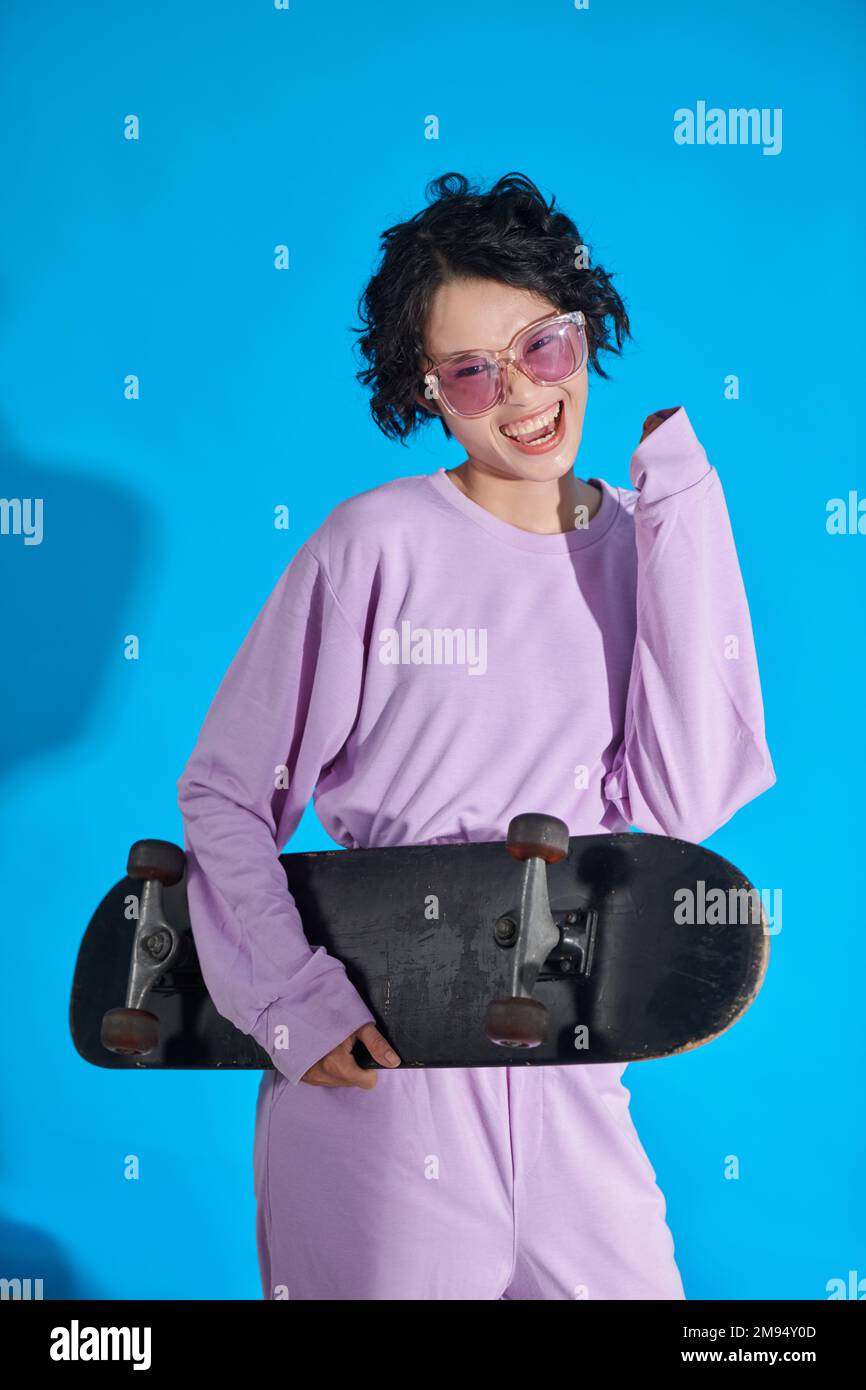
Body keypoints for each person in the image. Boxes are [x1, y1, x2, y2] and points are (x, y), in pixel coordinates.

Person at [176, 171, 776, 1301]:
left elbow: (687, 796)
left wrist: (681, 509)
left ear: (583, 330)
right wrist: (293, 1004)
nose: (519, 396)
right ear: (430, 392)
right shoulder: (370, 547)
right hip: (384, 1075)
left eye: (541, 347)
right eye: (469, 371)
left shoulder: (649, 538)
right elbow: (222, 791)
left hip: (568, 1064)